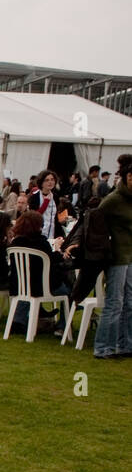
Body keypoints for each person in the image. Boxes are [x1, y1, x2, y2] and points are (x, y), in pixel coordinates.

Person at [94, 153, 132, 359]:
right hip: (117, 256)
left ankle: (125, 344)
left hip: (130, 256)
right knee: (114, 301)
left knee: (129, 302)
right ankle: (103, 347)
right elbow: (96, 220)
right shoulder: (114, 200)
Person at [6, 209, 69, 332]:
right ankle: (62, 326)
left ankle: (19, 320)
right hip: (42, 287)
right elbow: (52, 261)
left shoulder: (15, 244)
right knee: (68, 291)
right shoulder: (41, 243)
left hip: (20, 285)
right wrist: (57, 249)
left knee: (29, 286)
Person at [28, 170, 61, 239]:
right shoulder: (35, 197)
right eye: (47, 180)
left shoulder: (55, 197)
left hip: (52, 233)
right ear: (41, 183)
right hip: (38, 233)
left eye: (52, 180)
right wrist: (45, 202)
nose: (50, 182)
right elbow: (34, 217)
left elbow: (55, 218)